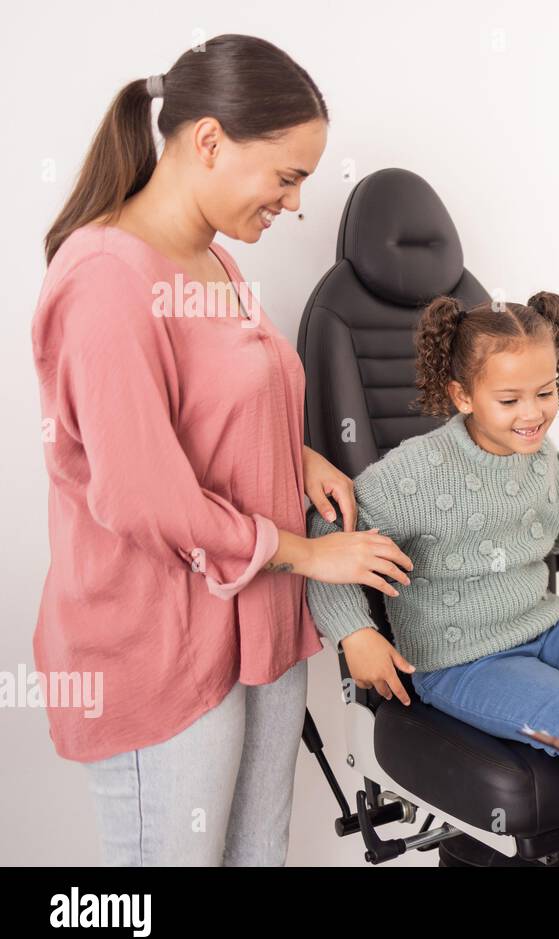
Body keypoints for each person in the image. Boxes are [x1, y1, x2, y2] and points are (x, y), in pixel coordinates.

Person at [32, 34, 410, 865]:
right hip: (159, 641)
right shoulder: (104, 278)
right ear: (208, 141)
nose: (299, 201)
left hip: (257, 628)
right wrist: (309, 552)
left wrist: (295, 455)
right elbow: (140, 494)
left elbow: (223, 406)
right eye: (287, 174)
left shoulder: (217, 263)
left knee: (254, 858)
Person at [306, 292, 559, 866]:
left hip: (544, 628)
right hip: (461, 659)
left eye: (546, 393)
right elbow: (327, 531)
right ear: (463, 396)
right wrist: (355, 632)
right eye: (510, 398)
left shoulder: (540, 456)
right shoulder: (417, 472)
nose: (533, 413)